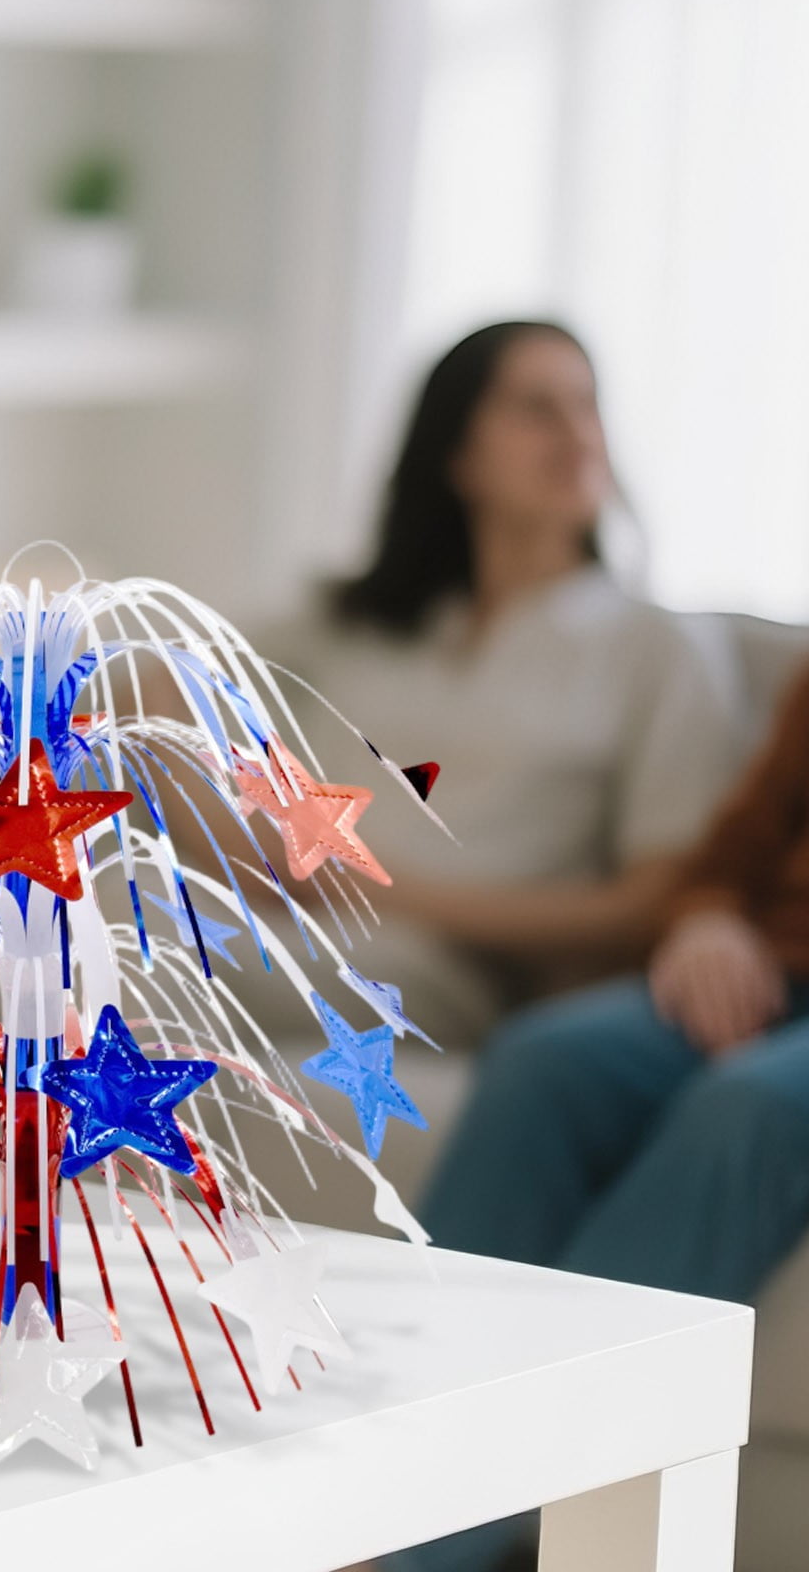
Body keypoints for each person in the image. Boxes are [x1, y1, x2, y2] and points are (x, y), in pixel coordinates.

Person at [382, 660, 809, 1572]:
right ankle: (391, 1512)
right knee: (541, 1063)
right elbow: (731, 856)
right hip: (773, 968)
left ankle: (453, 1532)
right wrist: (709, 919)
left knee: (746, 1110)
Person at [260, 321, 740, 1047]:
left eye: (587, 406)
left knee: (158, 965)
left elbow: (655, 901)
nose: (577, 436)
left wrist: (387, 894)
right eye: (538, 409)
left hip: (451, 968)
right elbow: (158, 677)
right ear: (458, 454)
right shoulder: (369, 620)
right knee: (102, 912)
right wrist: (256, 854)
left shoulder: (659, 647)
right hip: (310, 920)